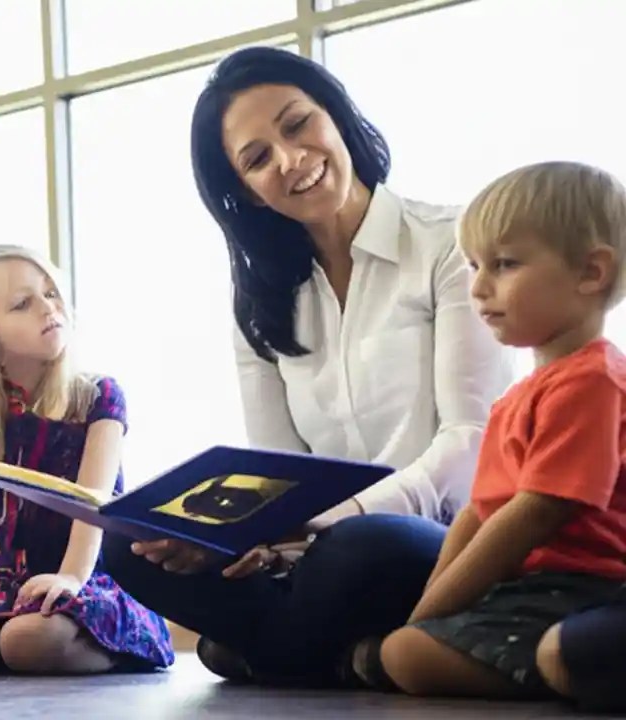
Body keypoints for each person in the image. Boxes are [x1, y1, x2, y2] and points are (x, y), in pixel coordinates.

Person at [102, 46, 512, 685]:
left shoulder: (448, 246)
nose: (290, 159)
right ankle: (340, 656)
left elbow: (470, 444)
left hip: (432, 541)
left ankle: (273, 656)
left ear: (336, 116)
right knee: (127, 545)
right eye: (258, 158)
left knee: (361, 546)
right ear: (248, 193)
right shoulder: (261, 304)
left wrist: (323, 523)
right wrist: (239, 541)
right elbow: (277, 474)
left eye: (296, 125)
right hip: (310, 560)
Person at [375, 161, 626, 706]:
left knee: (411, 653)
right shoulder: (517, 396)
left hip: (590, 588)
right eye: (474, 265)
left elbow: (535, 511)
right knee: (403, 651)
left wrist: (431, 614)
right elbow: (479, 512)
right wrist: (426, 609)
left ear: (591, 272)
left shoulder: (595, 380)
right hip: (533, 588)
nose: (480, 287)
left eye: (505, 264)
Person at [0, 244, 174, 675]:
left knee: (28, 640)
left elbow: (93, 501)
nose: (48, 308)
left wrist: (70, 577)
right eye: (22, 304)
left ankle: (109, 649)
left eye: (50, 293)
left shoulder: (98, 397)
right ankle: (3, 638)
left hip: (86, 572)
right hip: (4, 577)